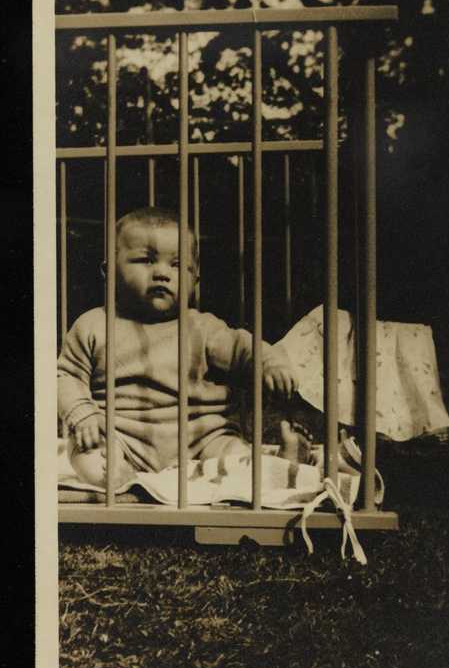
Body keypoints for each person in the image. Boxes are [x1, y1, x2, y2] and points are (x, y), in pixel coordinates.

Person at [58, 206, 309, 489]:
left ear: (195, 280)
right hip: (121, 436)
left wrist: (269, 363)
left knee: (235, 458)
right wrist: (82, 414)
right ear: (109, 270)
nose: (162, 273)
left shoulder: (202, 327)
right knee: (87, 455)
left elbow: (243, 348)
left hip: (202, 437)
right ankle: (125, 480)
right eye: (145, 260)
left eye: (178, 265)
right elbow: (66, 376)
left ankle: (283, 464)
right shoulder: (93, 324)